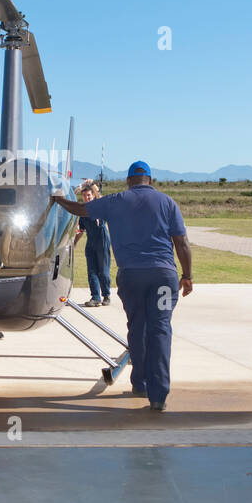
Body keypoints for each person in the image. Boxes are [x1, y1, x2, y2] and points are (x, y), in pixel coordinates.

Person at [52, 161, 192, 411]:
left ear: (129, 181)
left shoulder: (115, 201)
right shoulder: (167, 202)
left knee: (137, 328)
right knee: (160, 330)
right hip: (163, 276)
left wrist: (57, 199)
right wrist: (187, 275)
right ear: (151, 180)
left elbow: (80, 209)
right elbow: (181, 242)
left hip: (132, 276)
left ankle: (140, 381)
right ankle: (159, 396)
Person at [74, 180, 112, 307]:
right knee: (91, 270)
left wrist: (92, 184)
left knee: (103, 270)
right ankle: (95, 297)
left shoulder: (99, 205)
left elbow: (99, 195)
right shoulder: (83, 211)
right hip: (91, 241)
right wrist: (74, 243)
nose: (86, 198)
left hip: (102, 240)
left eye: (88, 195)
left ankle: (106, 295)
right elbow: (80, 230)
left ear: (93, 195)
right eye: (84, 196)